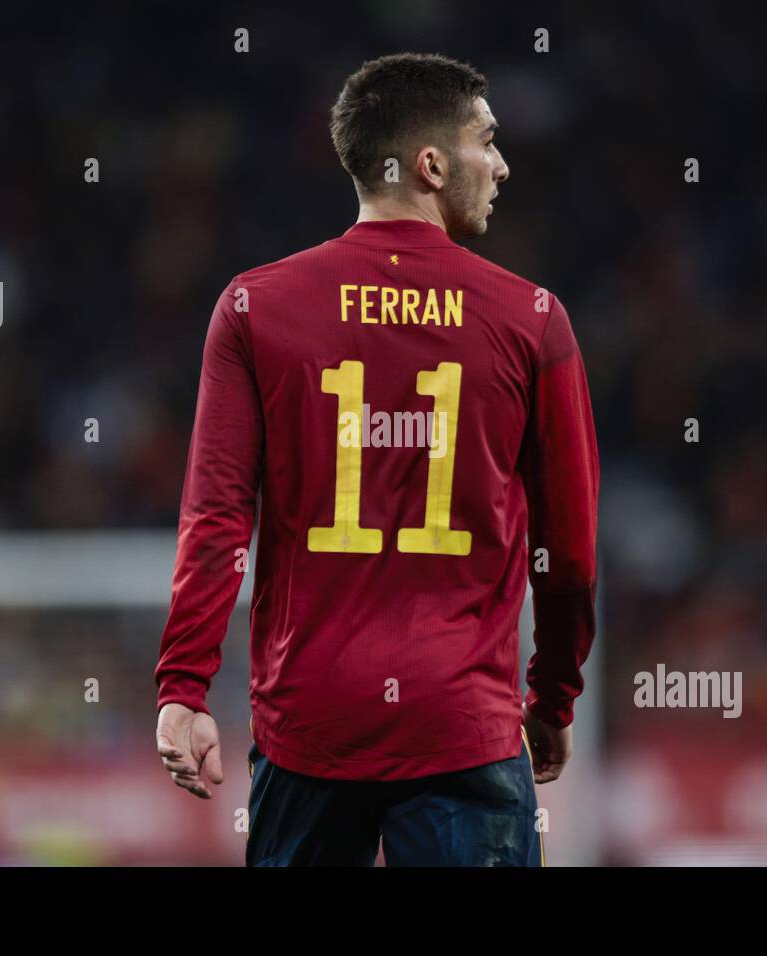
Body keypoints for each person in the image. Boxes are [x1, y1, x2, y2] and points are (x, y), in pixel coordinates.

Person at [154, 52, 599, 866]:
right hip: (463, 724)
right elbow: (567, 554)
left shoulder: (255, 308)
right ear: (429, 165)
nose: (501, 164)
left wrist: (184, 686)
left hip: (309, 728)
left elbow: (216, 520)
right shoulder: (533, 320)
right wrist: (555, 696)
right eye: (487, 141)